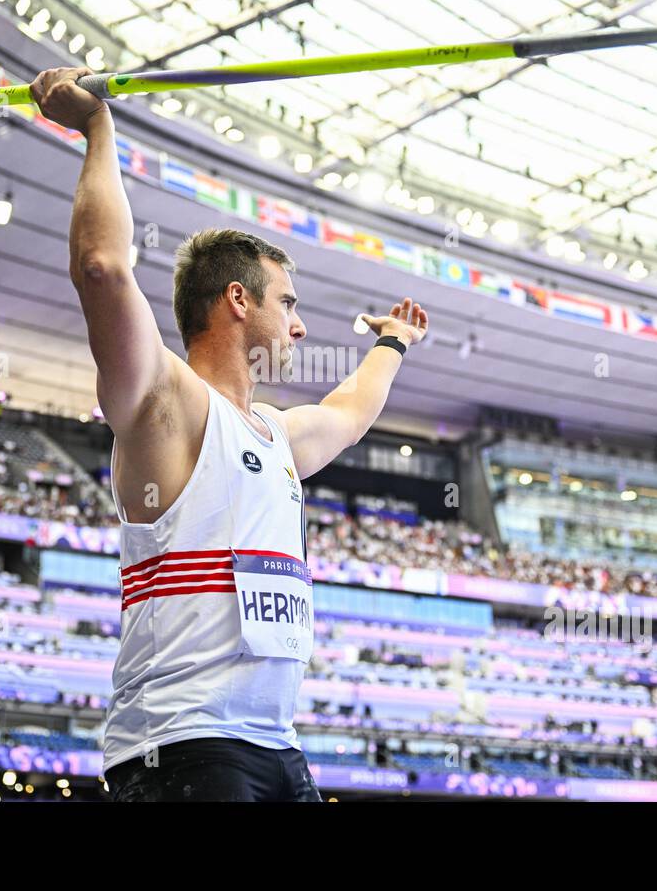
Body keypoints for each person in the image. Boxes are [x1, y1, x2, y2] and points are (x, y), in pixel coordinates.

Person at [30, 67, 429, 801]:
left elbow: (348, 413)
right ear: (238, 300)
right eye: (289, 303)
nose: (301, 325)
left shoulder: (276, 435)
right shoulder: (168, 404)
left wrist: (394, 343)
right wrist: (97, 129)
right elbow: (103, 267)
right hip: (185, 745)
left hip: (276, 746)